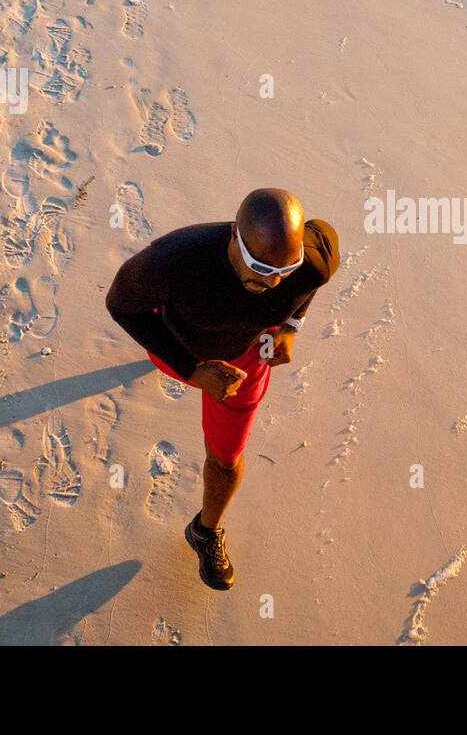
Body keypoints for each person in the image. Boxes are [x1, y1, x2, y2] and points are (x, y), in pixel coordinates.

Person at [105, 188, 339, 590]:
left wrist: (291, 326)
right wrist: (191, 370)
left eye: (285, 270)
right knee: (156, 338)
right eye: (259, 267)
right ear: (235, 235)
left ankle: (205, 531)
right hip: (178, 350)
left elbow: (314, 268)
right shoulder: (173, 260)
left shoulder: (311, 265)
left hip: (243, 366)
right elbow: (121, 305)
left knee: (226, 459)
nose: (271, 281)